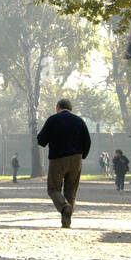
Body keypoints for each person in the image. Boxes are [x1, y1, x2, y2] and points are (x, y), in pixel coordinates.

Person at [37, 98, 91, 228]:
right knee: (71, 191)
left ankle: (64, 206)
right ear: (70, 108)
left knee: (53, 189)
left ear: (58, 107)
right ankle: (67, 221)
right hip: (76, 158)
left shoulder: (53, 120)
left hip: (58, 158)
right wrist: (82, 156)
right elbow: (87, 141)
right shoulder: (79, 121)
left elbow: (41, 140)